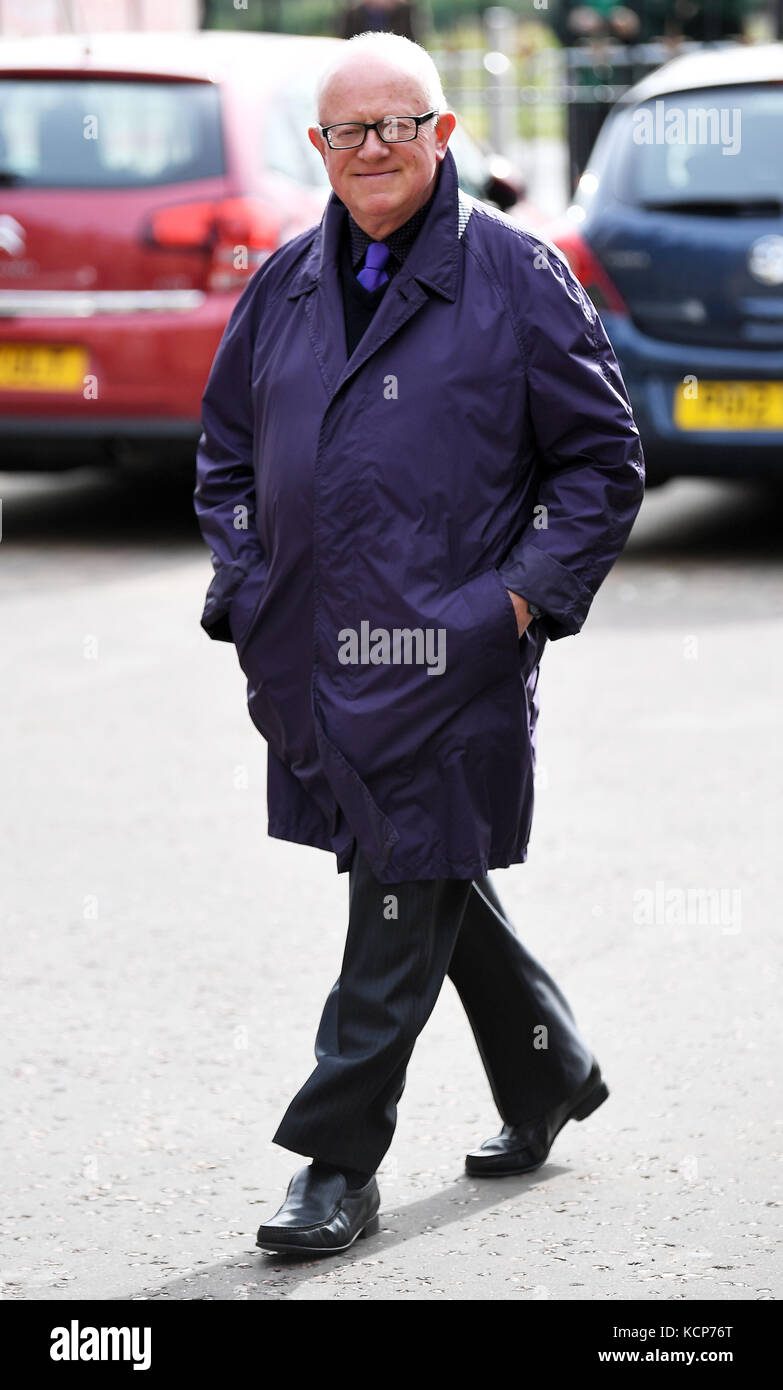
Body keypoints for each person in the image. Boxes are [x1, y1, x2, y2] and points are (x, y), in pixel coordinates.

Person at [193, 31, 645, 1257]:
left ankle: (336, 1164)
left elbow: (602, 461)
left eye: (401, 124)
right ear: (320, 149)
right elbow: (226, 453)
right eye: (352, 130)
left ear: (443, 135)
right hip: (310, 659)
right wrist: (244, 581)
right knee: (427, 872)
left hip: (450, 657)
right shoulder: (283, 284)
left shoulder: (516, 274)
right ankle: (549, 1068)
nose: (376, 148)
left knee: (395, 904)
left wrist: (513, 602)